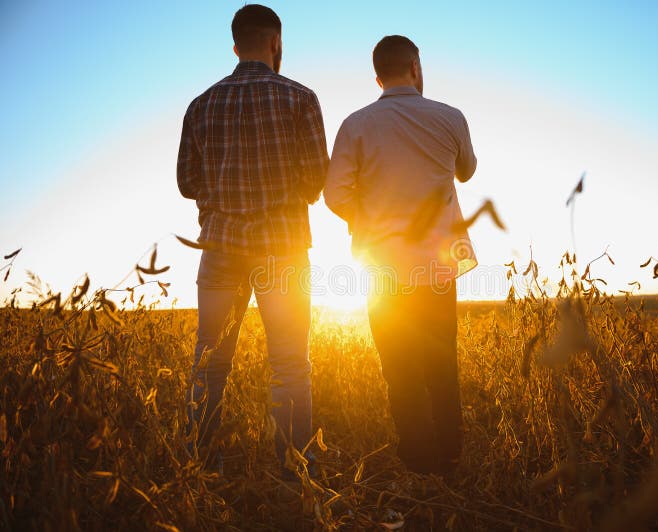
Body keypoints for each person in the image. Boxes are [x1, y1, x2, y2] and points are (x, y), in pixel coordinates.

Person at [177, 4, 329, 476]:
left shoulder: (201, 104)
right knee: (288, 362)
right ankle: (292, 466)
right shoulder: (300, 97)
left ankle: (201, 465)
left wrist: (219, 201)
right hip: (282, 248)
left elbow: (186, 181)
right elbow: (314, 183)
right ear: (276, 43)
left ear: (236, 45)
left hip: (220, 248)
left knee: (210, 360)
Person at [324, 35, 477, 475]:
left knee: (400, 367)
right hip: (438, 266)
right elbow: (466, 171)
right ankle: (450, 456)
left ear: (378, 76)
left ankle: (417, 460)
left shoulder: (356, 124)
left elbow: (335, 196)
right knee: (441, 364)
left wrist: (369, 218)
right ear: (416, 67)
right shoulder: (450, 117)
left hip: (382, 268)